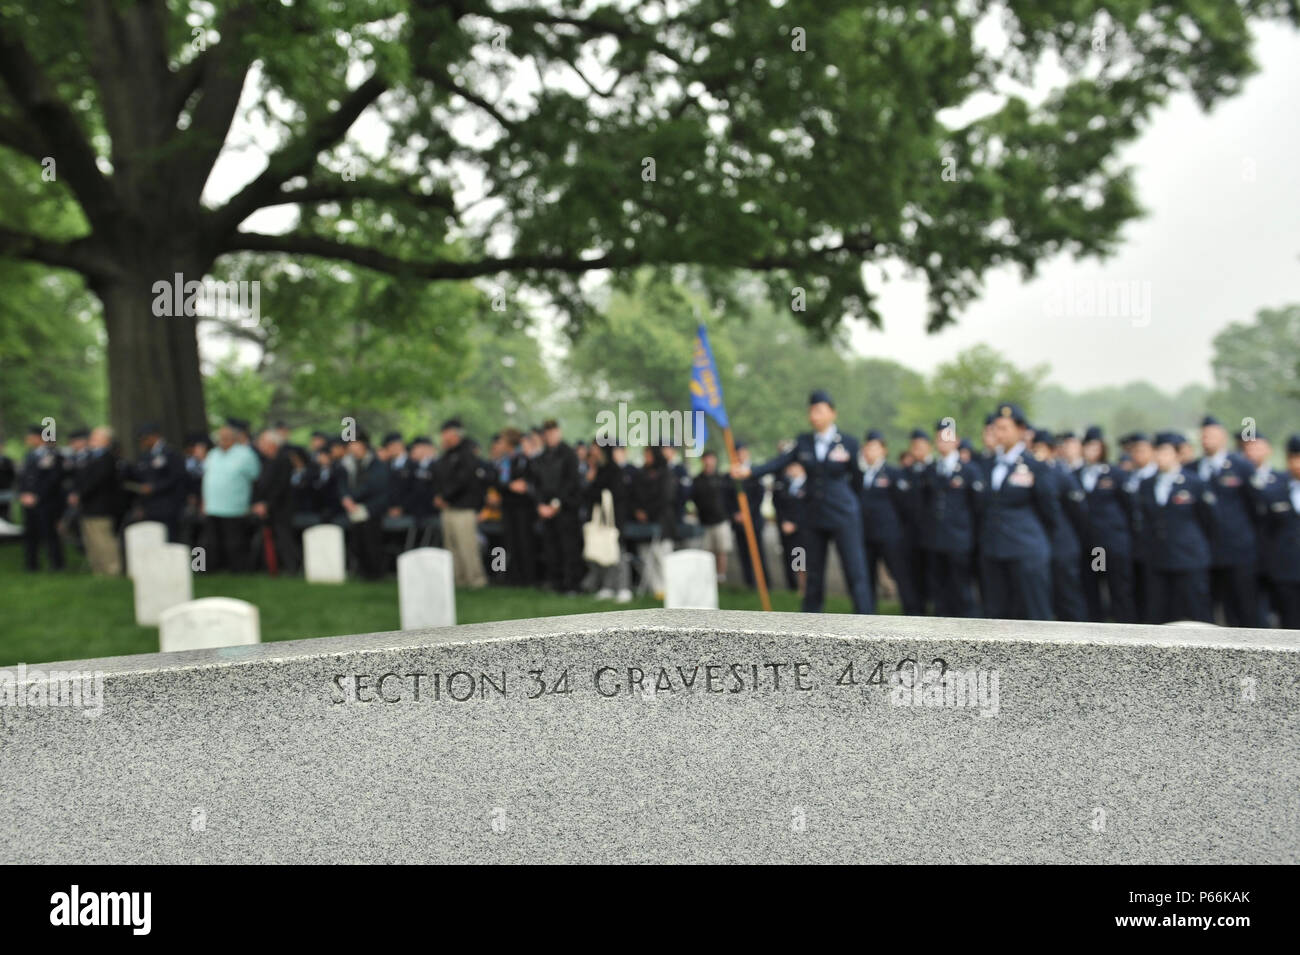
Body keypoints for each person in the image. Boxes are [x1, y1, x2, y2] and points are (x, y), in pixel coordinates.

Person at [733, 390, 873, 614]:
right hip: (814, 514)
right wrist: (749, 471)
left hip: (843, 514)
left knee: (855, 570)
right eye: (811, 411)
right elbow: (779, 462)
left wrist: (848, 502)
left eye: (819, 410)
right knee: (813, 572)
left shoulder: (848, 443)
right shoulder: (803, 442)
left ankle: (866, 621)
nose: (814, 415)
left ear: (832, 413)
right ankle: (810, 623)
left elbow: (858, 479)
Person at [977, 403, 1055, 620]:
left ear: (1021, 431)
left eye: (1005, 428)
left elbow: (1050, 511)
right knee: (996, 614)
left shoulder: (1034, 466)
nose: (999, 433)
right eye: (996, 428)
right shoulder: (987, 464)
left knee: (1033, 613)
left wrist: (1037, 541)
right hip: (993, 549)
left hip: (1026, 549)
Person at [1138, 433, 1214, 623]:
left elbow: (1209, 520)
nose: (1160, 456)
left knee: (1196, 612)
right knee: (1159, 613)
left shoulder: (1194, 482)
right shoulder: (1146, 484)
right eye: (1157, 451)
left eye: (1165, 452)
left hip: (1188, 557)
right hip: (1158, 558)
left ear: (1178, 455)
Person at [1195, 415, 1260, 627]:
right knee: (1207, 610)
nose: (1207, 440)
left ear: (1222, 437)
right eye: (1204, 435)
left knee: (1243, 608)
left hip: (1238, 550)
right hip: (1205, 551)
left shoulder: (1241, 466)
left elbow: (1255, 507)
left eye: (1212, 435)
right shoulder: (1192, 468)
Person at [920, 420, 982, 617]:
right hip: (936, 539)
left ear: (957, 441)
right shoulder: (930, 470)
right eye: (939, 438)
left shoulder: (969, 470)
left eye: (948, 438)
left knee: (962, 588)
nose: (943, 442)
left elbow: (977, 505)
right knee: (939, 589)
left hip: (959, 539)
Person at [1077, 426, 1136, 623]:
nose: (1091, 451)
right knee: (1094, 585)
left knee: (1119, 588)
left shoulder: (1114, 474)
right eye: (1087, 446)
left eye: (1095, 446)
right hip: (1095, 547)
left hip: (1115, 542)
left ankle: (1125, 628)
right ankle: (1097, 626)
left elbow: (1129, 506)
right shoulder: (1078, 474)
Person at [858, 429, 918, 613]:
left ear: (884, 450)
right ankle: (867, 612)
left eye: (874, 448)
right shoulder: (860, 475)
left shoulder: (892, 473)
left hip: (890, 535)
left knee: (900, 575)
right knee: (867, 577)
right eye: (867, 448)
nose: (870, 452)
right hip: (867, 535)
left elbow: (905, 505)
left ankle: (912, 611)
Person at [1032, 429, 1088, 622]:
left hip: (1063, 543)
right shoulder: (1030, 473)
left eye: (1041, 449)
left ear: (1052, 451)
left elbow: (1079, 512)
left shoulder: (1061, 475)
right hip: (1040, 543)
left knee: (1068, 595)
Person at [1252, 435, 1300, 629]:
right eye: (1293, 458)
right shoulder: (1275, 491)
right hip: (1285, 570)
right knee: (1289, 624)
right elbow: (1266, 532)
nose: (1297, 464)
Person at [434, 418, 488, 588]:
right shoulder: (447, 455)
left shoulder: (467, 453)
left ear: (453, 433)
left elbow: (463, 480)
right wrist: (439, 496)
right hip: (448, 508)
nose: (443, 437)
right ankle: (458, 579)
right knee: (452, 547)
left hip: (464, 508)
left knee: (467, 547)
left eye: (445, 433)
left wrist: (445, 497)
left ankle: (476, 580)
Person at [200, 423, 261, 572]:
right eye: (220, 438)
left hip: (235, 507)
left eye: (226, 438)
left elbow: (256, 478)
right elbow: (207, 478)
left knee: (235, 542)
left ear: (234, 439)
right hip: (212, 506)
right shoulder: (213, 454)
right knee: (209, 541)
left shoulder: (246, 454)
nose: (222, 441)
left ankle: (238, 570)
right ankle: (205, 569)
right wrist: (204, 501)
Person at [533, 419, 584, 594]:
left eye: (552, 433)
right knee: (551, 548)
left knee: (568, 548)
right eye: (546, 434)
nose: (550, 437)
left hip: (566, 509)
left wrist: (555, 504)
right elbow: (537, 483)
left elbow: (571, 483)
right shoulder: (542, 457)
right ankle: (556, 582)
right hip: (547, 510)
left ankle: (571, 584)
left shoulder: (569, 455)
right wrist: (540, 505)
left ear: (558, 432)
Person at [583, 442, 633, 602]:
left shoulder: (615, 470)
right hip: (601, 519)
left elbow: (612, 494)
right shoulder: (598, 469)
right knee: (603, 551)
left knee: (618, 552)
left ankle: (624, 587)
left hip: (615, 518)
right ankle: (607, 586)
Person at [72, 426, 123, 576]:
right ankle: (98, 570)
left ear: (105, 440)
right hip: (88, 506)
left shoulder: (107, 458)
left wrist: (80, 494)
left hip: (101, 506)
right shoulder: (89, 457)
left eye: (96, 437)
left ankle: (112, 570)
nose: (91, 439)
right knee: (92, 541)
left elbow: (96, 481)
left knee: (103, 540)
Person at [341, 430, 389, 580]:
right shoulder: (348, 464)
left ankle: (375, 573)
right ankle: (362, 572)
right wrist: (346, 498)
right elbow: (342, 484)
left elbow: (374, 486)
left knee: (371, 542)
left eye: (354, 443)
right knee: (357, 542)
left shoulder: (376, 464)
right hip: (354, 508)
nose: (351, 446)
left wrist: (353, 498)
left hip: (372, 508)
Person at [724, 442, 771, 592]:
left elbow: (759, 496)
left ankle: (765, 583)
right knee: (743, 553)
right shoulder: (729, 475)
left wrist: (747, 513)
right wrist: (735, 514)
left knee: (758, 553)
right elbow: (726, 497)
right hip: (738, 522)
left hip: (753, 519)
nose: (740, 455)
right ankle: (749, 583)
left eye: (742, 452)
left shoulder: (754, 472)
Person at [632, 446, 678, 597]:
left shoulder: (667, 473)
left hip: (663, 522)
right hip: (644, 524)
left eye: (649, 455)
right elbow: (635, 494)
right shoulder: (640, 474)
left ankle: (670, 589)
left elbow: (666, 497)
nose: (647, 459)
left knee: (663, 556)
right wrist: (639, 511)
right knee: (646, 556)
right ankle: (657, 589)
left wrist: (649, 512)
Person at [252, 429, 300, 574]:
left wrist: (267, 504)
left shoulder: (283, 461)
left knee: (284, 537)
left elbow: (280, 486)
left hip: (281, 507)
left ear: (272, 444)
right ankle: (269, 566)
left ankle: (292, 567)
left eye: (263, 442)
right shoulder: (265, 461)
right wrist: (259, 502)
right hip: (267, 507)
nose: (260, 445)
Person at [18, 424, 65, 571]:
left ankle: (56, 564)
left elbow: (53, 479)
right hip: (28, 501)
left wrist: (37, 495)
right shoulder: (29, 455)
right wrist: (24, 493)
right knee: (31, 533)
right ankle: (32, 564)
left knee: (49, 533)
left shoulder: (52, 455)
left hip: (46, 502)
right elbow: (23, 477)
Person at [131, 422, 187, 541]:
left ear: (154, 436)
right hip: (150, 506)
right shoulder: (145, 456)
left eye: (145, 438)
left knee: (170, 538)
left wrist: (155, 487)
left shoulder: (170, 453)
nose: (144, 442)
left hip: (168, 505)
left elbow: (176, 477)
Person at [496, 428, 537, 586]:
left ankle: (529, 577)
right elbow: (499, 482)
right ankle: (514, 576)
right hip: (508, 506)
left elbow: (531, 480)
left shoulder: (525, 458)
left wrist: (519, 486)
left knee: (524, 541)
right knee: (510, 541)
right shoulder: (505, 461)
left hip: (523, 508)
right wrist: (509, 486)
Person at [689, 450, 732, 582]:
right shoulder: (697, 480)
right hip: (705, 521)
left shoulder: (722, 478)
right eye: (706, 459)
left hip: (721, 519)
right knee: (708, 551)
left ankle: (721, 576)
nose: (709, 461)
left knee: (722, 550)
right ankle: (709, 576)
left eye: (711, 458)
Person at [771, 458, 807, 594]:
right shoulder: (786, 485)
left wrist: (795, 524)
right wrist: (784, 521)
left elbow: (808, 509)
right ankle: (797, 586)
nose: (790, 470)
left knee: (803, 560)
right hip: (788, 529)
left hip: (804, 530)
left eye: (793, 467)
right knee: (794, 559)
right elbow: (780, 506)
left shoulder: (808, 485)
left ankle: (805, 588)